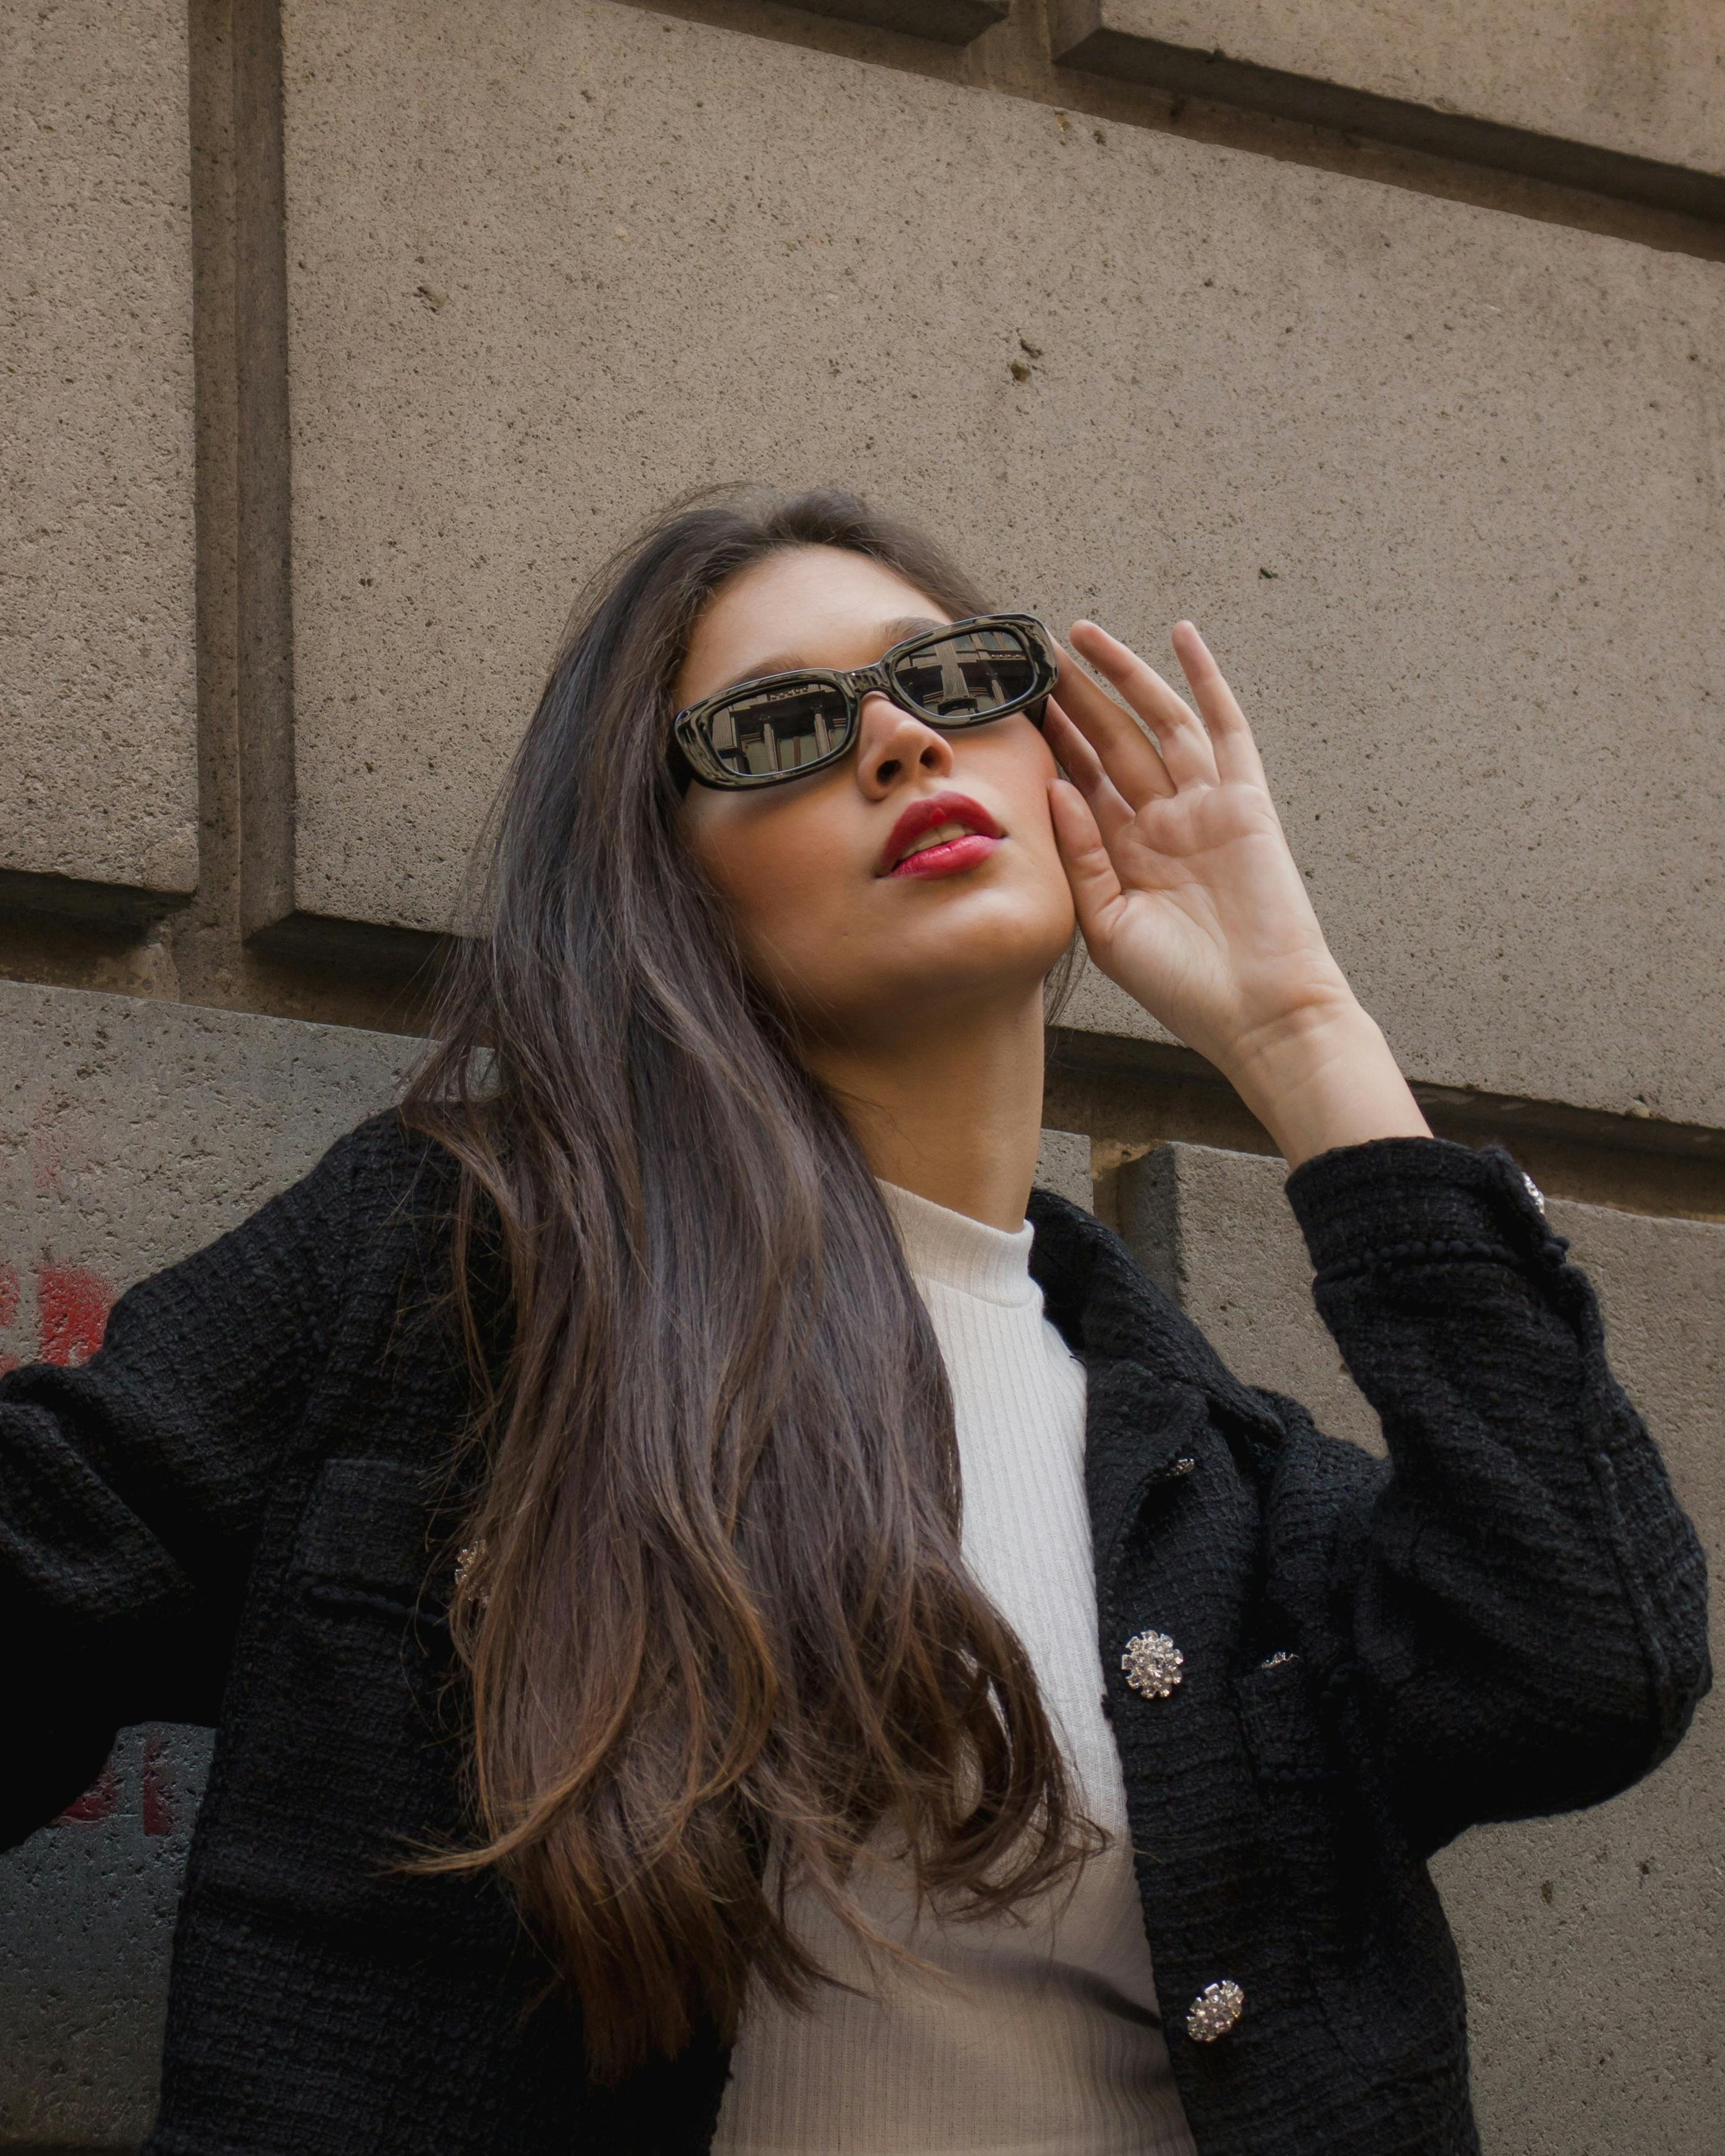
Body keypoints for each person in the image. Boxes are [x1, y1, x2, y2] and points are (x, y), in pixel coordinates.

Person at [1, 485, 1708, 2156]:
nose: (897, 739)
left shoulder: (1221, 1486)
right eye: (779, 728)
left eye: (955, 680)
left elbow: (1588, 1662)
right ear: (664, 882)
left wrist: (1296, 1019)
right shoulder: (467, 1265)